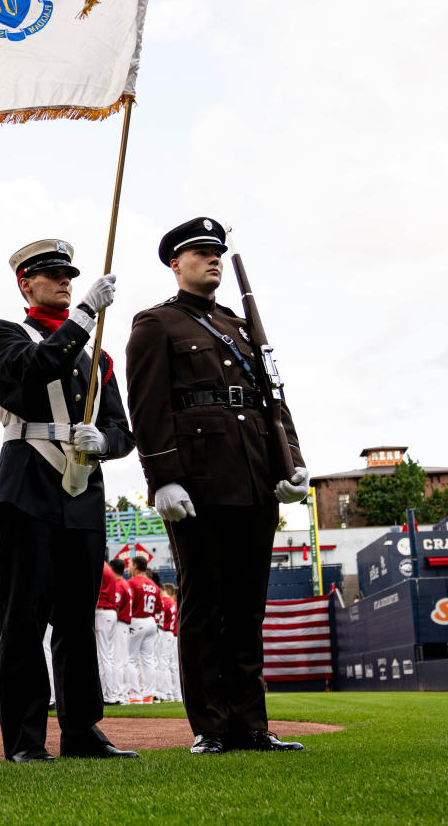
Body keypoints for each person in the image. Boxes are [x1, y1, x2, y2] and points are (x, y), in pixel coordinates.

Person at [125, 216, 309, 755]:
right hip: (200, 483)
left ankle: (252, 723)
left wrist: (291, 462)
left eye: (217, 252)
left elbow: (272, 398)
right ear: (176, 263)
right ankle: (211, 724)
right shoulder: (156, 323)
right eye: (201, 252)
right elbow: (149, 406)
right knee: (206, 605)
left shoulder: (241, 326)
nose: (212, 260)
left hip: (254, 476)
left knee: (248, 605)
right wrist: (164, 477)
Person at [0, 239, 137, 762]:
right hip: (28, 484)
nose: (64, 281)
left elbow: (122, 429)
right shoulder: (4, 333)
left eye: (68, 274)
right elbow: (34, 370)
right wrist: (85, 315)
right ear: (26, 283)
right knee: (24, 620)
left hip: (81, 491)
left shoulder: (99, 356)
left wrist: (107, 443)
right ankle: (25, 739)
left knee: (78, 620)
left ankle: (81, 730)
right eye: (51, 274)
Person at [126, 555, 161, 704]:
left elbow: (127, 604)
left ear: (135, 567)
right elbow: (159, 608)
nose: (128, 568)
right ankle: (149, 695)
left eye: (129, 565)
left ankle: (135, 695)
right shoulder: (153, 585)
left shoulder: (132, 583)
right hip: (151, 621)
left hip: (137, 619)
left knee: (130, 659)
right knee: (148, 660)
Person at [108, 556, 137, 704]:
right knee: (123, 661)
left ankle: (119, 694)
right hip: (126, 624)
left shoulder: (119, 584)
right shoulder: (126, 584)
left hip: (120, 624)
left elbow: (117, 606)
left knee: (118, 662)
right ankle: (124, 694)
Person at [94, 561, 119, 706]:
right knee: (107, 656)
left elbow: (95, 593)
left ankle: (108, 696)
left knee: (103, 657)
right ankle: (110, 693)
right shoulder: (107, 568)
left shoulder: (99, 566)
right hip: (110, 612)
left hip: (102, 612)